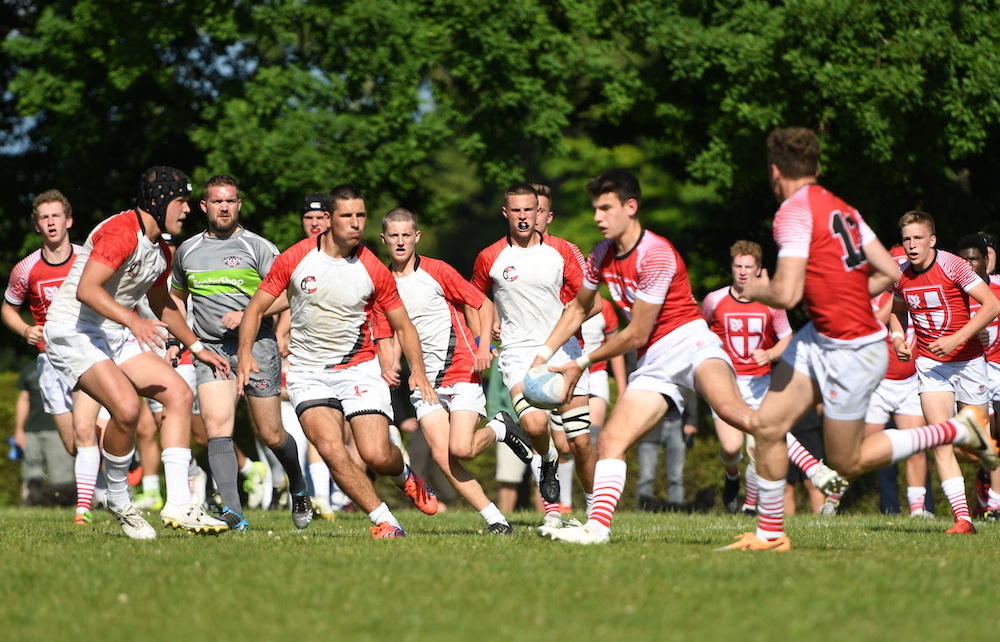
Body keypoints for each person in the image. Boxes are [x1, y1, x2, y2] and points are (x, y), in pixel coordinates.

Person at [536, 158, 995, 548]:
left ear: (630, 208)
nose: (598, 217)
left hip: (691, 344)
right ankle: (600, 529)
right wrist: (546, 352)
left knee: (754, 421)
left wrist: (578, 362)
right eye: (595, 209)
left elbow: (636, 332)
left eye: (605, 208)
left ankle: (790, 510)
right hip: (662, 358)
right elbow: (580, 308)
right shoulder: (599, 253)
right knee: (615, 440)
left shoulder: (657, 253)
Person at [726, 129, 994, 549]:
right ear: (815, 168)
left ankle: (952, 432)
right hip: (820, 336)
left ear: (775, 171)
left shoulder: (791, 213)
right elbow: (889, 270)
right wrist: (841, 295)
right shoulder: (843, 208)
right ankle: (770, 534)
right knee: (766, 424)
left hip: (852, 346)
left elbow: (787, 292)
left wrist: (753, 290)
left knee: (847, 459)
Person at [236, 184, 439, 539]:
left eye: (361, 215)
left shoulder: (372, 267)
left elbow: (403, 325)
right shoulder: (296, 258)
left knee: (376, 454)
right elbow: (255, 309)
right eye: (348, 216)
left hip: (358, 368)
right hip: (308, 372)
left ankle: (404, 475)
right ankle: (385, 521)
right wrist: (243, 356)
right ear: (329, 219)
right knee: (329, 448)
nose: (356, 223)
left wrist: (418, 373)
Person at [42, 166, 231, 539]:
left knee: (179, 393)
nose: (188, 210)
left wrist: (197, 347)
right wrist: (133, 321)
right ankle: (118, 500)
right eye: (181, 201)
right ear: (159, 201)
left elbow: (163, 305)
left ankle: (179, 503)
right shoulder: (120, 231)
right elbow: (87, 290)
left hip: (112, 330)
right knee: (127, 409)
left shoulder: (162, 251)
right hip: (72, 330)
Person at [169, 174, 313, 531]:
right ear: (204, 206)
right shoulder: (187, 251)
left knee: (272, 434)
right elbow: (175, 297)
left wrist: (252, 313)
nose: (223, 207)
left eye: (230, 201)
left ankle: (297, 484)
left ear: (238, 206)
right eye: (217, 201)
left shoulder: (257, 247)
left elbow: (288, 293)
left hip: (257, 346)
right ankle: (234, 513)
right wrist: (180, 340)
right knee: (217, 428)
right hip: (211, 349)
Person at [381, 207, 533, 533]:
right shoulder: (381, 282)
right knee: (442, 456)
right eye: (394, 235)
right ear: (384, 239)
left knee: (461, 448)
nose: (400, 241)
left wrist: (482, 347)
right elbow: (393, 333)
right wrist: (391, 364)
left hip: (461, 367)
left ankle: (501, 428)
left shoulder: (437, 270)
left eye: (406, 235)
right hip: (423, 381)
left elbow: (483, 303)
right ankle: (496, 520)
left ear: (416, 237)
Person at [471, 183, 597, 532]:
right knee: (534, 424)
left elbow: (593, 302)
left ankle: (595, 514)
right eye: (516, 211)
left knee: (581, 442)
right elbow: (474, 299)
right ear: (506, 213)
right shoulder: (490, 257)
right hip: (518, 352)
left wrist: (570, 319)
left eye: (529, 210)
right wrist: (484, 335)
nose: (524, 217)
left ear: (538, 211)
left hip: (565, 351)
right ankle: (547, 464)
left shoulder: (561, 252)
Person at [889, 212, 999, 534]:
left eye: (918, 238)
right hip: (930, 365)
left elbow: (992, 305)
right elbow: (896, 315)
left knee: (975, 449)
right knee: (940, 439)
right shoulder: (901, 275)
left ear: (932, 240)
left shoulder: (952, 265)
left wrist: (957, 338)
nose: (911, 245)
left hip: (968, 363)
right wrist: (898, 339)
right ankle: (963, 519)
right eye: (907, 239)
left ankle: (984, 478)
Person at [2, 189, 104, 525]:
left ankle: (93, 504)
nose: (51, 222)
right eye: (44, 218)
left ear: (68, 220)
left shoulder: (88, 259)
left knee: (91, 429)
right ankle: (106, 479)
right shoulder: (26, 268)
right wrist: (24, 330)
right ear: (37, 226)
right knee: (74, 443)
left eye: (56, 216)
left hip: (88, 353)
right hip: (50, 361)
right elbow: (8, 308)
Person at [701, 240, 793, 514]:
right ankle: (731, 476)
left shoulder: (771, 303)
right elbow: (697, 330)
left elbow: (787, 338)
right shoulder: (714, 300)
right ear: (732, 267)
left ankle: (750, 505)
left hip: (759, 383)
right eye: (738, 266)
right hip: (724, 383)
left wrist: (771, 354)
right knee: (731, 448)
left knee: (758, 447)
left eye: (748, 267)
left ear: (758, 269)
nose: (742, 272)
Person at [954, 233, 1000, 519]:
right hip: (970, 369)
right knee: (971, 442)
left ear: (986, 260)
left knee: (995, 441)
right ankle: (985, 478)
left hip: (998, 367)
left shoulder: (997, 288)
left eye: (975, 258)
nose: (968, 264)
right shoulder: (954, 291)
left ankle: (994, 502)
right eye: (963, 259)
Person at [14, 360, 76, 504]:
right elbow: (24, 400)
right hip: (31, 430)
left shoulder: (67, 363)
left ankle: (63, 505)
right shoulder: (29, 368)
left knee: (61, 475)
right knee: (30, 475)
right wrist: (19, 430)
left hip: (58, 430)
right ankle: (29, 504)